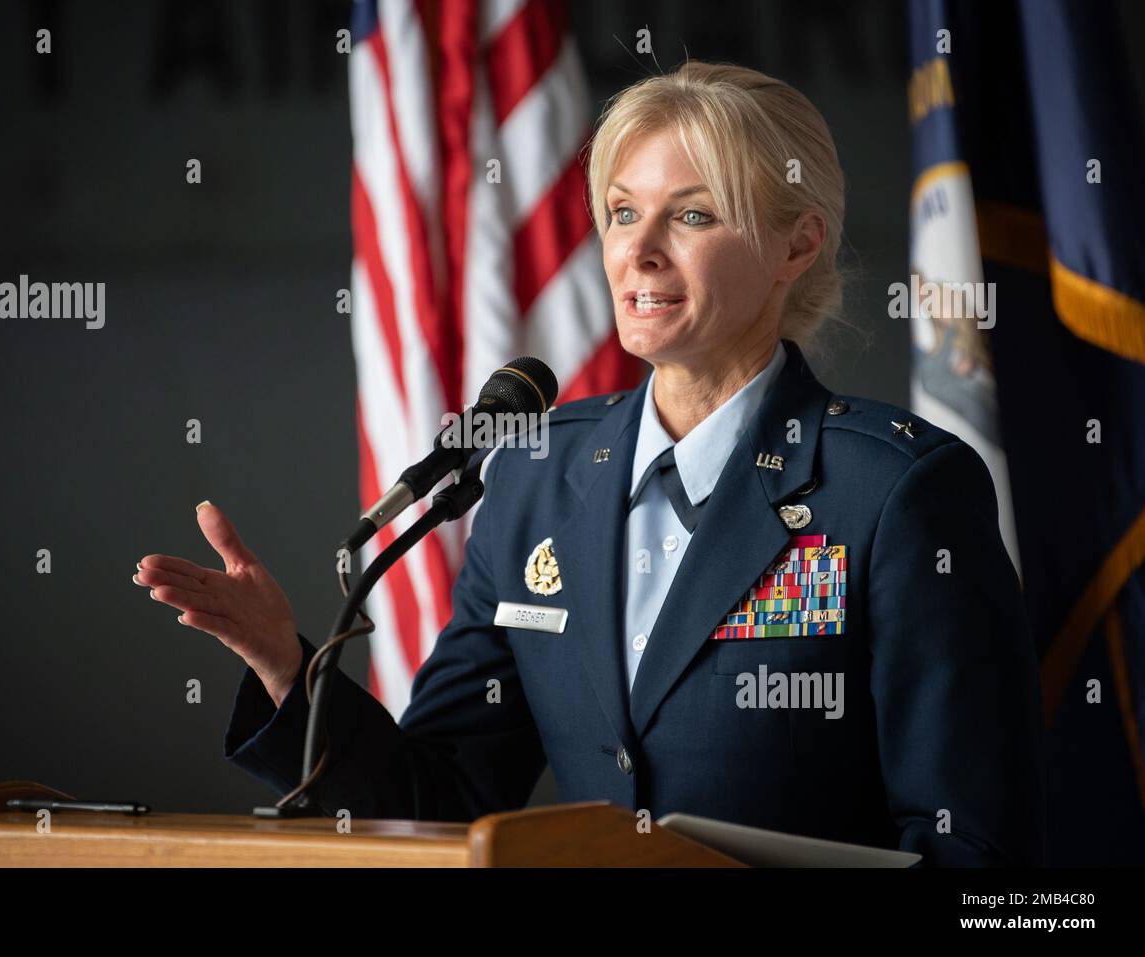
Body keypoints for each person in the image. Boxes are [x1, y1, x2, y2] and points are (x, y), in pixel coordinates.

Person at [133, 62, 1044, 866]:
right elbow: (440, 799)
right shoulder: (536, 478)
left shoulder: (895, 492)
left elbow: (976, 853)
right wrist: (286, 663)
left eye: (691, 214)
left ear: (795, 246)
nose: (638, 250)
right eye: (620, 213)